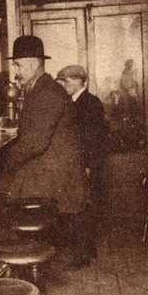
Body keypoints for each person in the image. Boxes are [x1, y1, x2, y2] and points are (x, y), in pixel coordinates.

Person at [0, 36, 90, 268]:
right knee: (1, 190)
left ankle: (8, 258)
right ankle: (11, 254)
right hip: (51, 169)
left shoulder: (47, 93)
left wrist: (4, 163)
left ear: (33, 63)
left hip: (55, 175)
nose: (15, 70)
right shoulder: (42, 88)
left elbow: (34, 144)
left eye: (17, 64)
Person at [56, 64, 107, 260]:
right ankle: (86, 250)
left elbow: (92, 140)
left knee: (84, 209)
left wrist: (87, 167)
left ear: (77, 82)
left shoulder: (90, 103)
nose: (63, 85)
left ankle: (83, 255)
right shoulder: (75, 101)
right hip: (80, 164)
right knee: (82, 208)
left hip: (86, 165)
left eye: (65, 82)